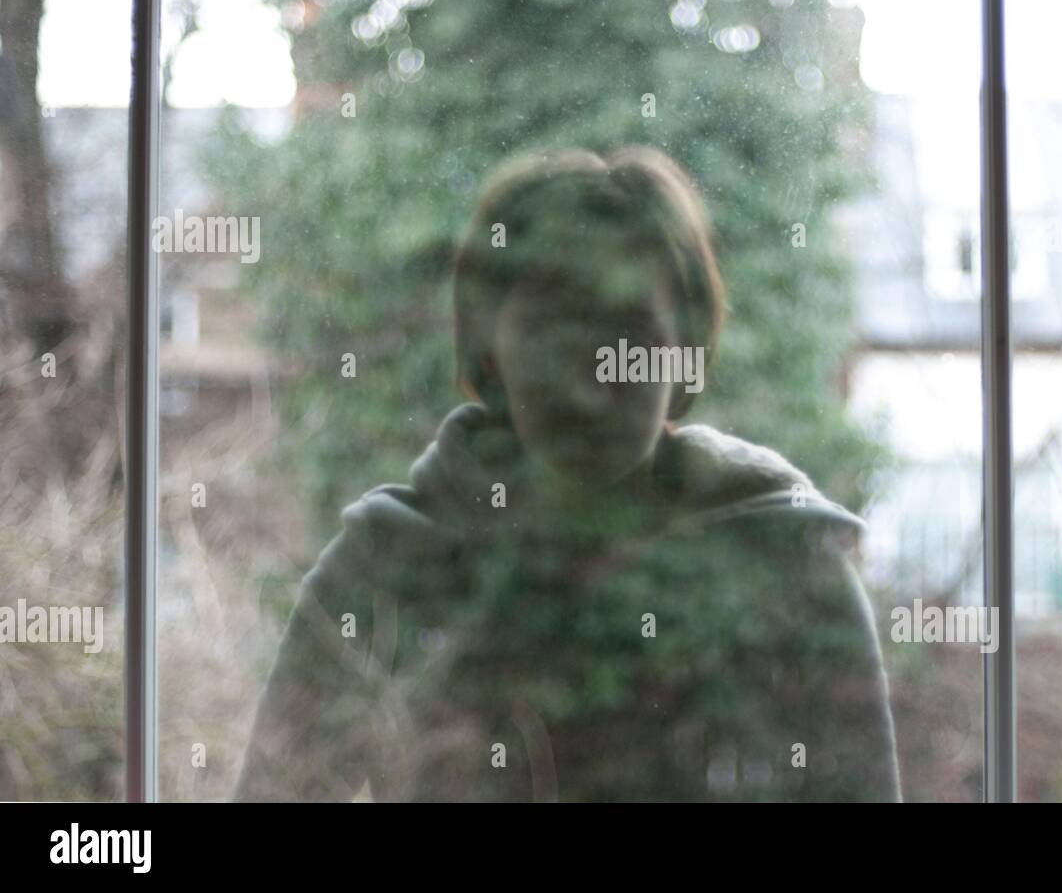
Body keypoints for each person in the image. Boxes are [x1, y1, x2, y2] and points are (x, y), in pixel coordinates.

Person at [232, 146, 901, 801]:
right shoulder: (384, 564)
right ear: (488, 344)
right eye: (553, 332)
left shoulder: (786, 561)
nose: (590, 381)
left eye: (631, 334)